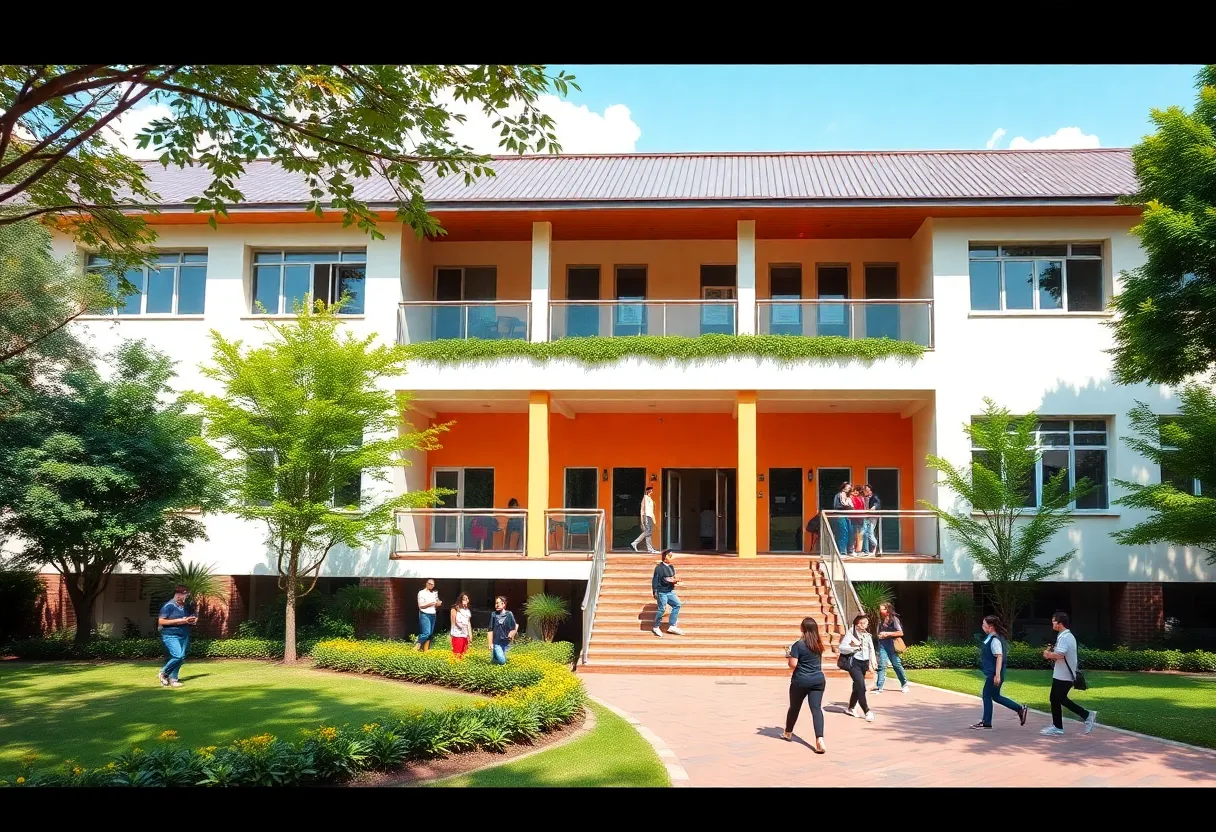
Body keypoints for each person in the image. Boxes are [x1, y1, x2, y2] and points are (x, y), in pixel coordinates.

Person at [1041, 611, 1097, 736]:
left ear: (1060, 623)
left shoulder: (1066, 637)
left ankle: (1087, 715)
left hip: (1065, 675)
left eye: (1054, 621)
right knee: (1055, 698)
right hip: (1060, 674)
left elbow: (1060, 654)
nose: (1053, 624)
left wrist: (1048, 655)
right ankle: (1058, 727)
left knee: (1059, 698)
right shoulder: (1063, 636)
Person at [971, 615, 1029, 730]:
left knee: (986, 695)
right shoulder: (990, 637)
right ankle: (1019, 708)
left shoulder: (995, 640)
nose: (982, 626)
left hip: (994, 673)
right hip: (993, 673)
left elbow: (999, 657)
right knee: (995, 696)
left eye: (984, 624)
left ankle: (986, 722)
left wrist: (997, 675)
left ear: (991, 626)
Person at [782, 616, 827, 754]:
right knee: (816, 709)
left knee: (794, 707)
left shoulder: (799, 644)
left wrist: (789, 656)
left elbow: (793, 664)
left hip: (801, 680)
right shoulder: (818, 644)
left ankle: (788, 732)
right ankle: (819, 738)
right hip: (818, 680)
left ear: (802, 628)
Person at [156, 584, 198, 688]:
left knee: (181, 657)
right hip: (170, 635)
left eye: (185, 595)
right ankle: (163, 672)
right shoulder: (169, 606)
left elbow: (194, 616)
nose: (182, 597)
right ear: (176, 594)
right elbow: (161, 621)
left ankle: (173, 679)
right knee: (177, 655)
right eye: (180, 594)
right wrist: (181, 620)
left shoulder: (187, 606)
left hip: (184, 634)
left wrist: (193, 620)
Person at [838, 613, 877, 722]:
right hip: (854, 663)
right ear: (858, 624)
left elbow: (871, 649)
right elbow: (842, 648)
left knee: (857, 686)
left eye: (866, 623)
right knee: (861, 686)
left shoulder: (867, 635)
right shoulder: (851, 634)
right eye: (864, 623)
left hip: (863, 663)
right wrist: (854, 648)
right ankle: (867, 711)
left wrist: (872, 662)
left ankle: (851, 708)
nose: (866, 625)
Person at [873, 602, 911, 693]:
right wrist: (879, 636)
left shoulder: (894, 619)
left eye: (883, 609)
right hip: (882, 644)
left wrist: (888, 634)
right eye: (880, 609)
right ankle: (879, 687)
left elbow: (900, 633)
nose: (881, 611)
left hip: (892, 644)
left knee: (896, 664)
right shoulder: (880, 620)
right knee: (881, 665)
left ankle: (904, 684)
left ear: (888, 609)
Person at [651, 548, 684, 637]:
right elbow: (658, 579)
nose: (672, 557)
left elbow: (672, 577)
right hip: (662, 592)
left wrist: (677, 581)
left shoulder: (671, 567)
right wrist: (654, 591)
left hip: (670, 591)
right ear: (665, 557)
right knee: (662, 609)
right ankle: (656, 626)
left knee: (677, 604)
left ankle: (672, 625)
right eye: (670, 555)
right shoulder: (659, 568)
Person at [488, 595, 518, 665]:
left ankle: (493, 664)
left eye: (498, 603)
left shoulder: (509, 614)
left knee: (496, 660)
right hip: (496, 642)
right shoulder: (494, 615)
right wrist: (490, 643)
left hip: (505, 642)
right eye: (496, 603)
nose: (496, 605)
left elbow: (514, 627)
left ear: (504, 604)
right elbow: (490, 629)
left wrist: (511, 634)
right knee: (502, 660)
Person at [415, 578, 442, 652]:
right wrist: (430, 604)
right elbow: (421, 606)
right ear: (426, 583)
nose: (431, 585)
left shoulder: (433, 594)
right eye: (429, 583)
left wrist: (438, 604)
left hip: (433, 614)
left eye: (432, 584)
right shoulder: (421, 592)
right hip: (424, 614)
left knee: (430, 634)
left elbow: (435, 605)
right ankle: (416, 646)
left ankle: (425, 650)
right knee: (426, 633)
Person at [632, 485, 658, 553]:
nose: (651, 491)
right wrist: (645, 519)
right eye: (650, 490)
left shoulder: (649, 498)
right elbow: (646, 509)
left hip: (649, 516)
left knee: (647, 532)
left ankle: (635, 543)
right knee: (648, 532)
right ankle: (650, 549)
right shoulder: (646, 498)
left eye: (652, 490)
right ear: (647, 491)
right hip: (647, 516)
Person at [832, 481, 853, 555]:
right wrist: (848, 506)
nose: (849, 489)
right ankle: (842, 551)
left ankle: (849, 550)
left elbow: (851, 507)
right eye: (848, 488)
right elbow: (840, 505)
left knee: (849, 533)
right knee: (842, 533)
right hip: (840, 516)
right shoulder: (840, 495)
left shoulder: (848, 497)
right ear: (844, 488)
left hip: (847, 516)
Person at [450, 592, 472, 659]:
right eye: (464, 599)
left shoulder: (467, 610)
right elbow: (453, 622)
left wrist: (470, 634)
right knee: (457, 654)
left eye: (467, 599)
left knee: (464, 654)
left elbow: (468, 622)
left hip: (465, 634)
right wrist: (451, 635)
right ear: (460, 599)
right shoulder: (454, 609)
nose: (465, 600)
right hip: (457, 634)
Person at [862, 484, 881, 555]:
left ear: (870, 490)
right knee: (866, 533)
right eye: (864, 490)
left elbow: (876, 505)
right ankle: (868, 550)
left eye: (867, 490)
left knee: (870, 532)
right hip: (866, 517)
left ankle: (878, 547)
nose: (865, 492)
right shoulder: (864, 497)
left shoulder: (874, 497)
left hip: (872, 516)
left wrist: (871, 509)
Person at [850, 486, 866, 554]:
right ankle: (854, 550)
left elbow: (861, 507)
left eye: (857, 491)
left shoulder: (859, 498)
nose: (856, 492)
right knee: (855, 535)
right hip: (856, 518)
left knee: (859, 535)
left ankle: (857, 550)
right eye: (855, 490)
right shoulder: (854, 498)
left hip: (859, 518)